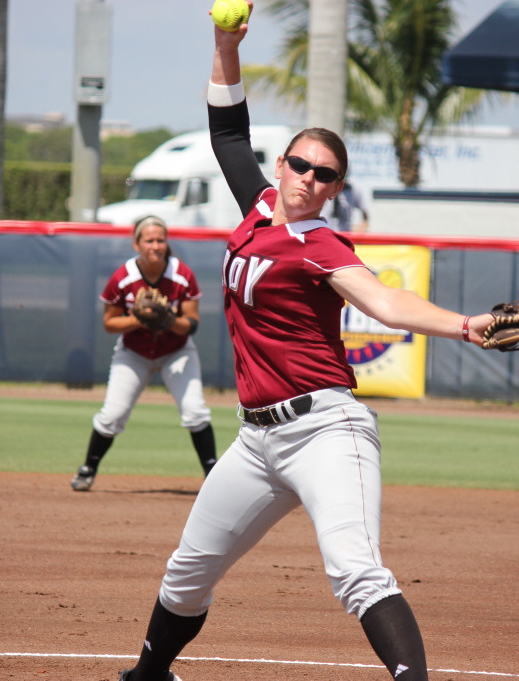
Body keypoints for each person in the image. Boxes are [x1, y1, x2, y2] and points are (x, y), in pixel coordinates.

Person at [114, 6, 493, 680]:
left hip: (325, 428)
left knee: (354, 569)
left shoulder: (319, 243)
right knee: (187, 569)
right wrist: (222, 44)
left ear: (334, 189)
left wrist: (461, 324)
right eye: (299, 164)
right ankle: (148, 675)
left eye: (323, 174)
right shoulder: (259, 209)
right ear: (283, 163)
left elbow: (383, 300)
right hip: (256, 441)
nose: (307, 178)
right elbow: (228, 129)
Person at [70, 216, 217, 492]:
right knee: (112, 414)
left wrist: (168, 320)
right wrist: (140, 320)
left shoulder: (181, 274)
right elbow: (109, 323)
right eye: (149, 240)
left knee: (195, 411)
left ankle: (213, 475)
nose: (156, 245)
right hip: (133, 353)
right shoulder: (123, 277)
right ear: (136, 244)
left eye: (161, 240)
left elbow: (192, 324)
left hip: (176, 351)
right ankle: (88, 468)